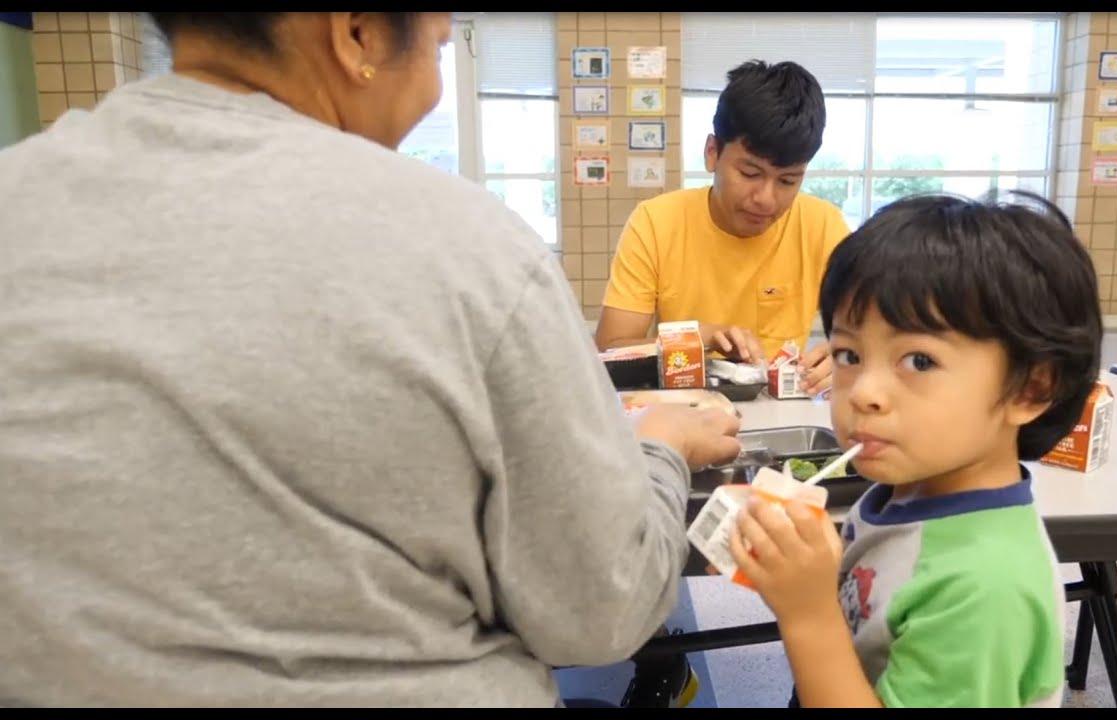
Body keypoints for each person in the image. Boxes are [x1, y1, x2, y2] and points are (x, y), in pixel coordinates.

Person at [0, 12, 744, 707]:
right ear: (356, 33)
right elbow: (596, 610)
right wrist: (658, 447)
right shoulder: (470, 251)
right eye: (442, 46)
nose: (433, 84)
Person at [727, 191, 1103, 708]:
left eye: (919, 361)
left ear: (1030, 389)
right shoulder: (902, 491)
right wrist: (792, 570)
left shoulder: (984, 586)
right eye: (849, 353)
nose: (862, 392)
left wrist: (807, 613)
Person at [593, 59, 850, 397]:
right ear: (712, 153)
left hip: (783, 409)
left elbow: (881, 332)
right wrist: (698, 336)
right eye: (750, 173)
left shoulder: (823, 226)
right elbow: (609, 352)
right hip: (683, 413)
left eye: (788, 180)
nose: (766, 200)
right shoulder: (657, 222)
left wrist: (848, 357)